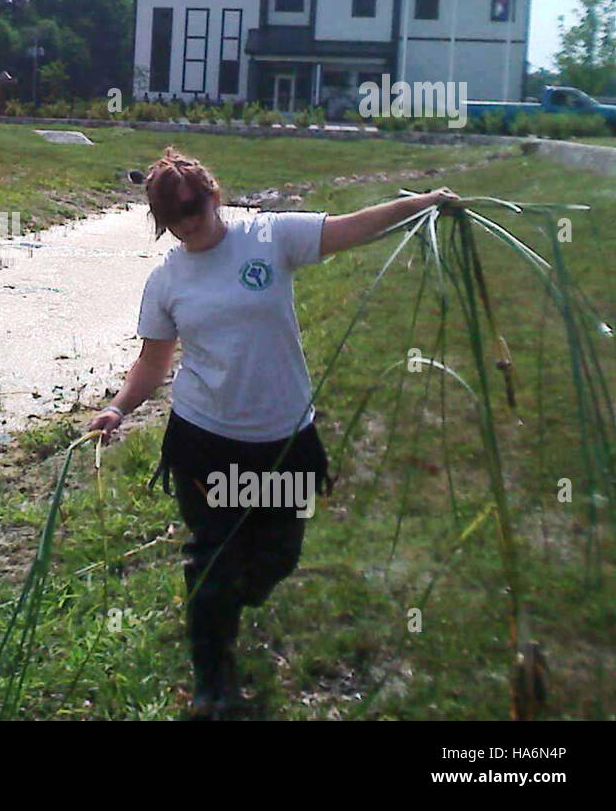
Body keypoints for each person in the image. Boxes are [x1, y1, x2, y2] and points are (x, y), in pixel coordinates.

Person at [86, 148, 460, 719]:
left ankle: (236, 596)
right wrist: (118, 408)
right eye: (172, 218)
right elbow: (154, 362)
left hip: (284, 441)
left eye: (192, 207)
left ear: (213, 194)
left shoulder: (269, 237)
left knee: (276, 556)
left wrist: (423, 204)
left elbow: (348, 230)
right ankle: (213, 681)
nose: (187, 224)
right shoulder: (166, 280)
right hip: (205, 442)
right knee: (212, 559)